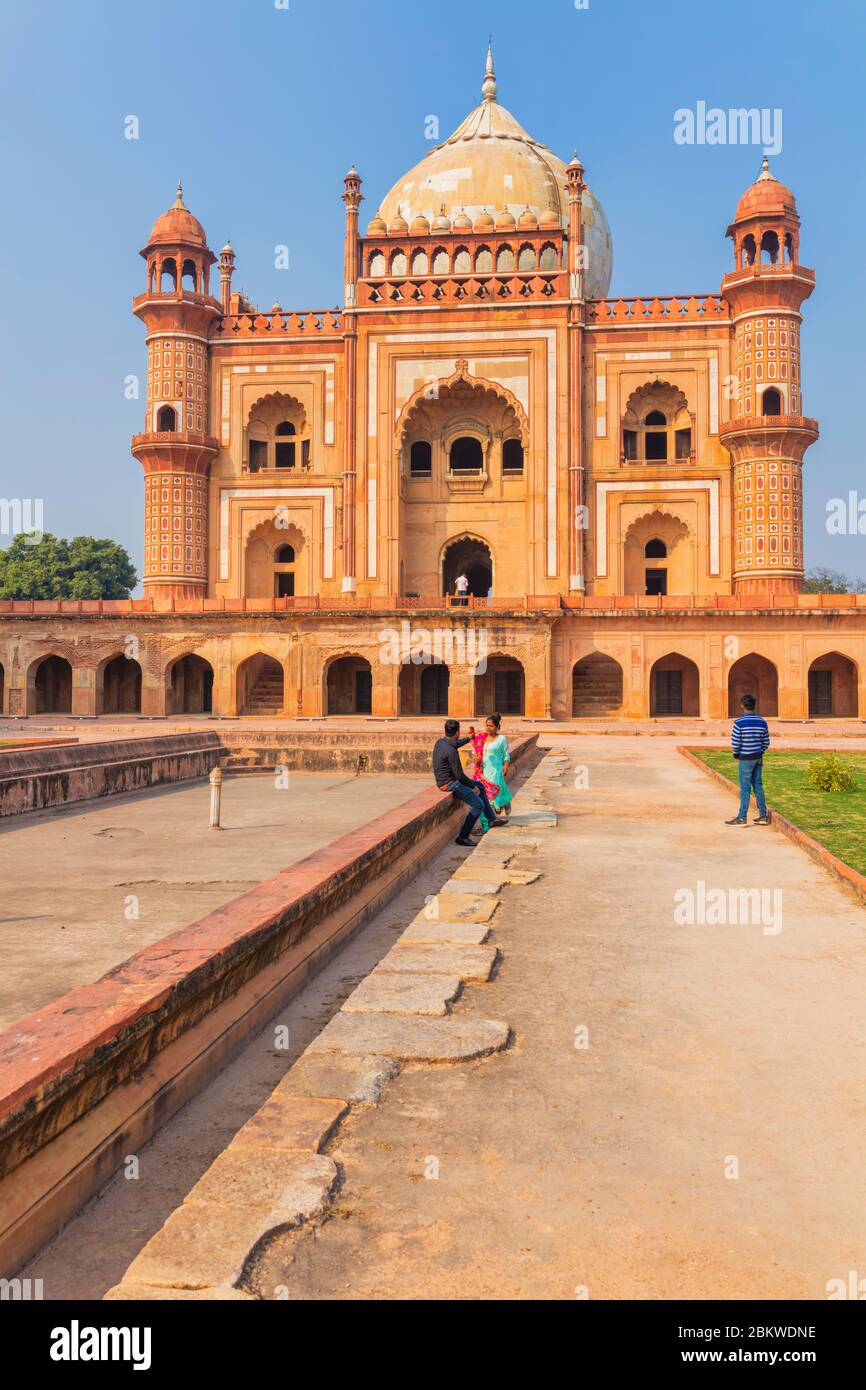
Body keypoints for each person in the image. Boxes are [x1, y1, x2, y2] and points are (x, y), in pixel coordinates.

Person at [433, 719, 505, 846]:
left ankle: (491, 819)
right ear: (457, 732)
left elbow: (455, 743)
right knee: (478, 805)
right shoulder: (451, 751)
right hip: (449, 784)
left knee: (481, 785)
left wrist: (469, 738)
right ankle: (463, 836)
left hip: (448, 780)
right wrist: (472, 786)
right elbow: (459, 776)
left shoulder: (441, 742)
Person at [726, 693, 771, 826]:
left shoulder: (739, 722)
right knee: (758, 786)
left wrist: (736, 754)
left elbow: (735, 743)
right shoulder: (762, 721)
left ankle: (741, 817)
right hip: (757, 757)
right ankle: (763, 815)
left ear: (742, 706)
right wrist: (759, 751)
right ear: (754, 706)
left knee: (745, 788)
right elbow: (766, 742)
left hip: (745, 758)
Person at [471, 713, 513, 830]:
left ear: (497, 727)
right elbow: (474, 752)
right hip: (482, 772)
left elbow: (506, 754)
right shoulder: (481, 738)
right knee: (485, 798)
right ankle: (490, 820)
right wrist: (474, 758)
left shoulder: (501, 739)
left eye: (491, 726)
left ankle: (486, 825)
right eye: (487, 726)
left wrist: (506, 765)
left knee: (489, 798)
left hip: (495, 771)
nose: (488, 728)